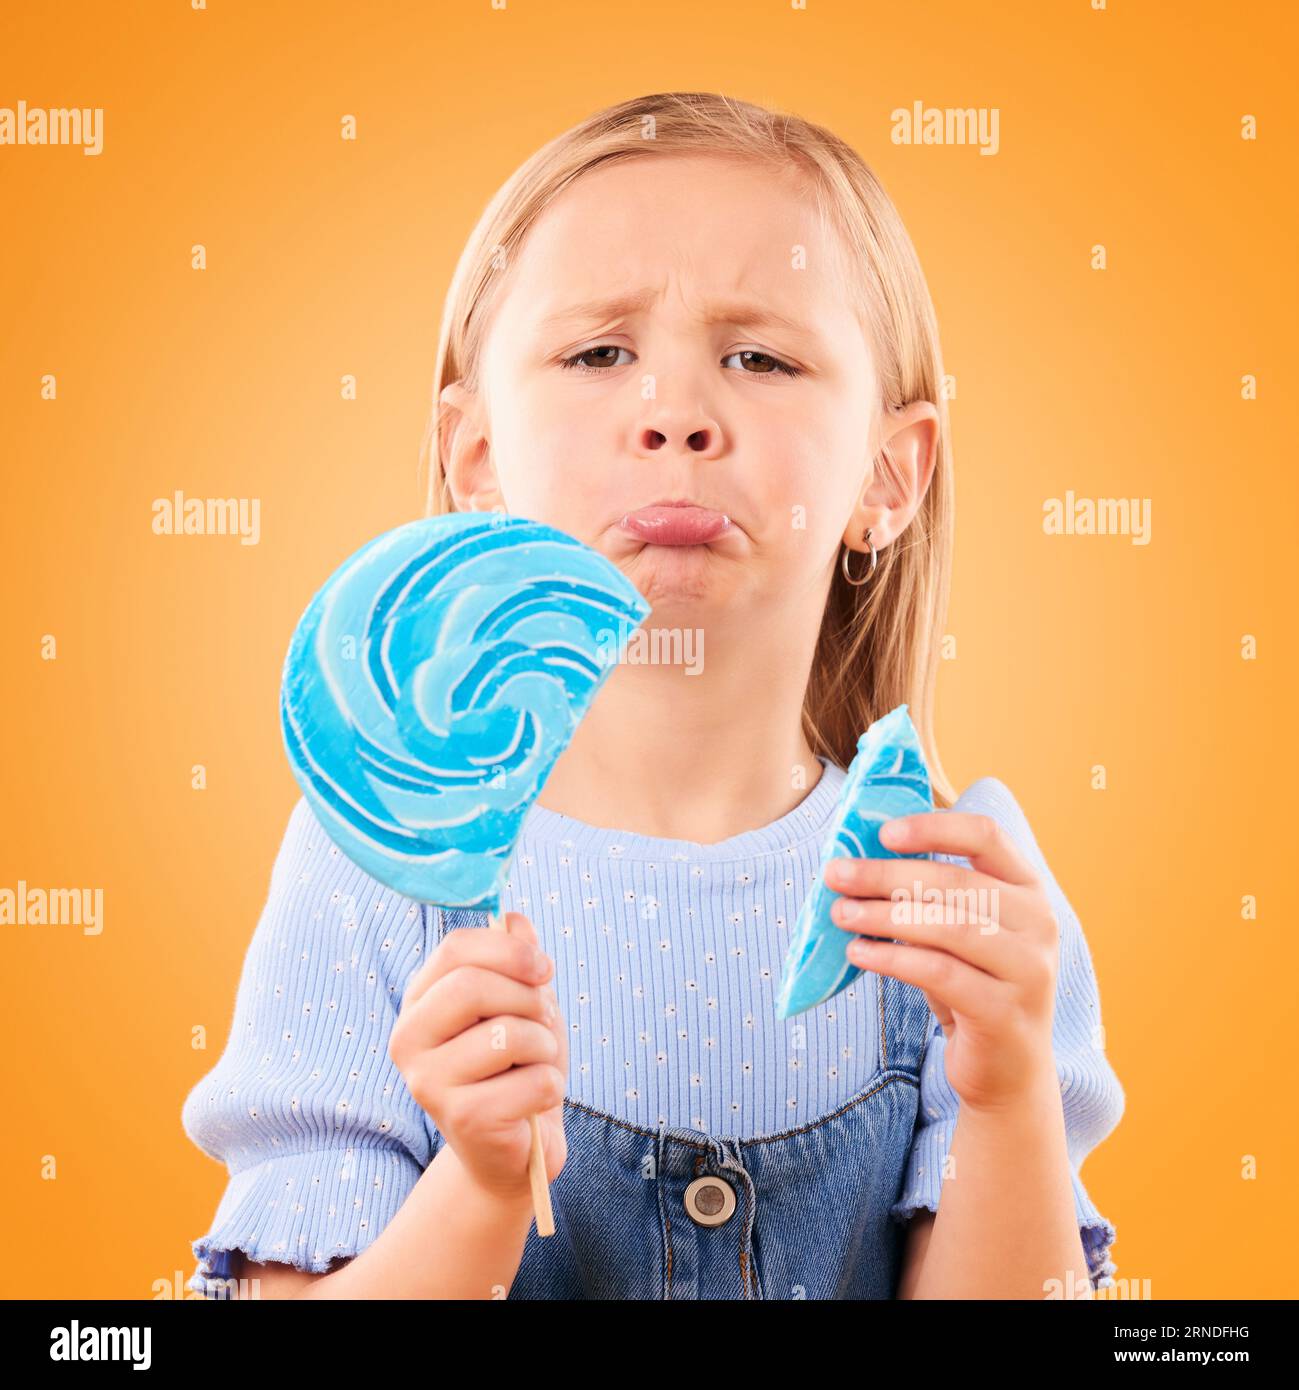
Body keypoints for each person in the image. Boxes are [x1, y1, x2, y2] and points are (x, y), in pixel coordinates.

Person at [181, 90, 1124, 1300]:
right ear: (477, 459)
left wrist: (1006, 1095)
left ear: (889, 474)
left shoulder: (958, 894)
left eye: (761, 357)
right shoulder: (375, 873)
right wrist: (476, 1185)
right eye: (598, 353)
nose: (675, 414)